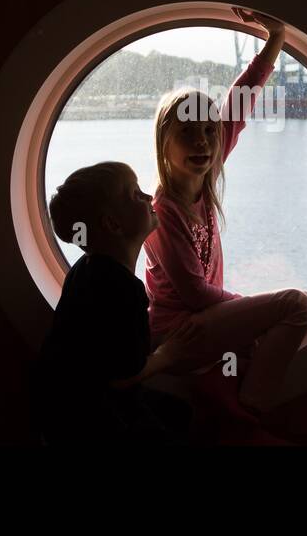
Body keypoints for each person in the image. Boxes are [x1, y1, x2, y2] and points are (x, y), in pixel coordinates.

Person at [143, 8, 307, 419]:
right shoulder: (164, 210)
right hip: (177, 335)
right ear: (163, 143)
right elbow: (195, 295)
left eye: (208, 130)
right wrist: (249, 305)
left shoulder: (205, 176)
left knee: (298, 307)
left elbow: (243, 98)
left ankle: (238, 411)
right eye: (186, 133)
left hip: (202, 323)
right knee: (294, 305)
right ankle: (254, 409)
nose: (203, 141)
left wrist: (277, 34)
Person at [34, 161, 200, 445]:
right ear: (113, 224)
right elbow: (123, 375)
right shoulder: (124, 290)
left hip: (57, 407)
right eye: (135, 194)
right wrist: (168, 354)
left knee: (178, 412)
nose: (148, 197)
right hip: (91, 417)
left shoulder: (84, 270)